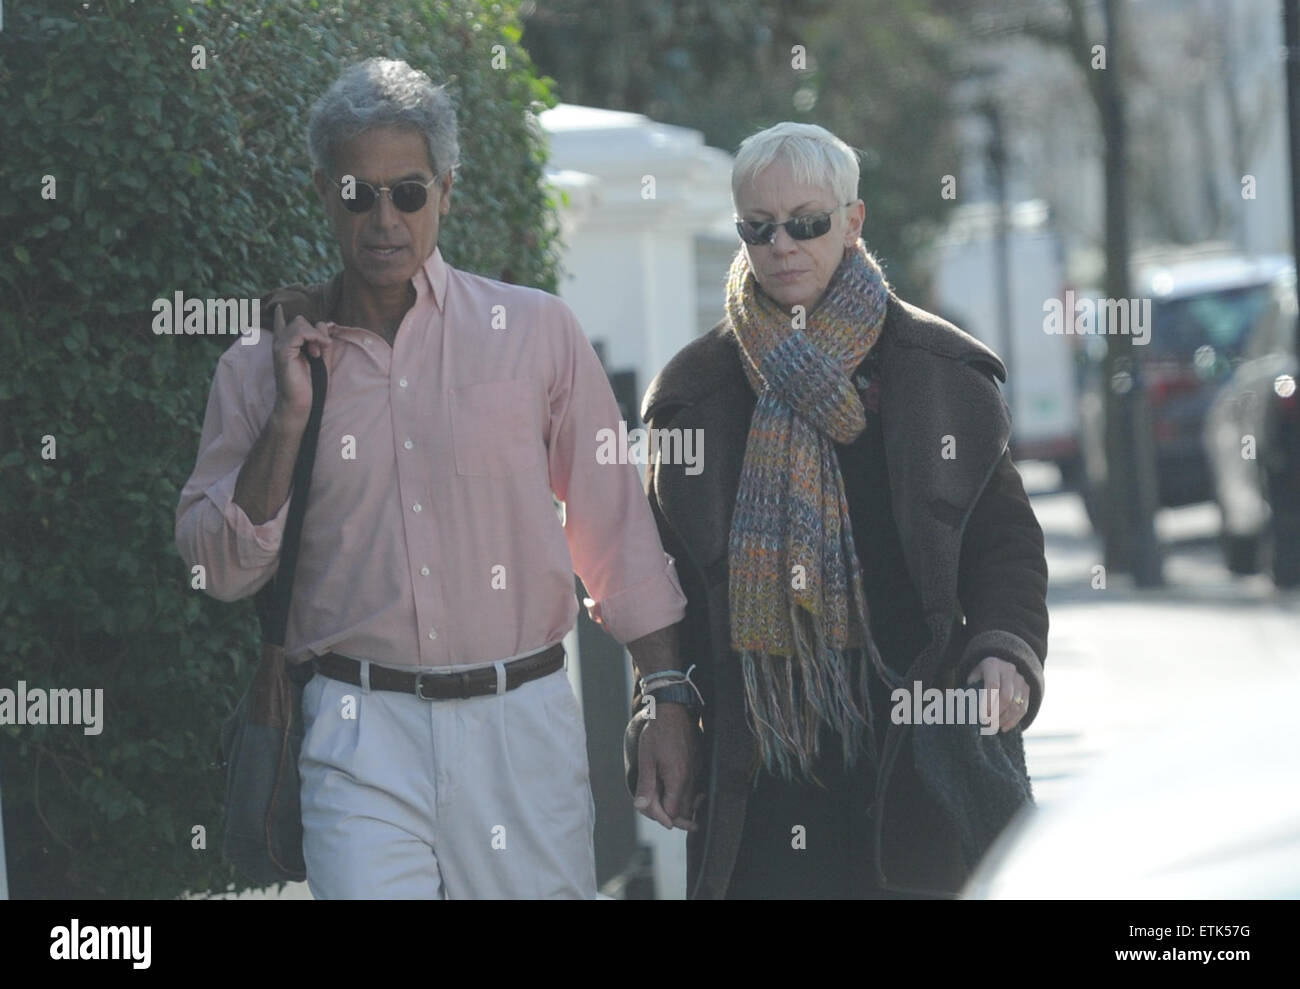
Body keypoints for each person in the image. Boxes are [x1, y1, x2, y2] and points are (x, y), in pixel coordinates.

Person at [175, 58, 690, 899]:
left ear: (445, 190)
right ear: (322, 192)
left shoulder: (535, 333)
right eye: (357, 194)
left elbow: (616, 531)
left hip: (520, 725)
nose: (383, 219)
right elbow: (217, 569)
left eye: (406, 193)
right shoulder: (259, 364)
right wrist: (290, 419)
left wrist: (664, 693)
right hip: (354, 728)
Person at [629, 122, 1050, 899]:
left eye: (808, 222)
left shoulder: (941, 374)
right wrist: (662, 703)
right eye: (759, 228)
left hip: (917, 748)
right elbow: (661, 581)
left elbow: (1005, 547)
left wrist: (1004, 649)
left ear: (853, 222)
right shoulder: (693, 394)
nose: (782, 244)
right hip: (757, 761)